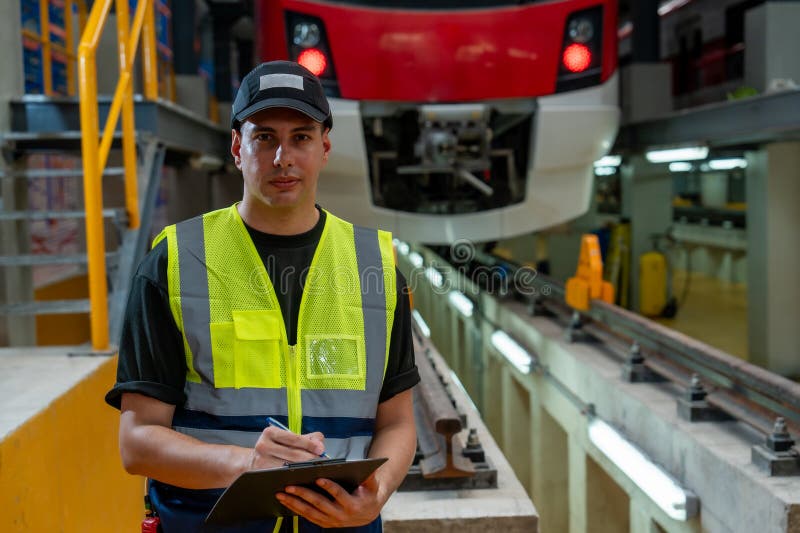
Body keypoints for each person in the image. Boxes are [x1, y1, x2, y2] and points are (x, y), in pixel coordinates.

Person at [105, 60, 419, 532]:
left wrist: (378, 493)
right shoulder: (174, 261)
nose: (282, 158)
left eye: (301, 137)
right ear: (237, 146)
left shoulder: (373, 266)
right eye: (265, 137)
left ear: (325, 147)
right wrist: (243, 463)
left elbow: (397, 422)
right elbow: (137, 442)